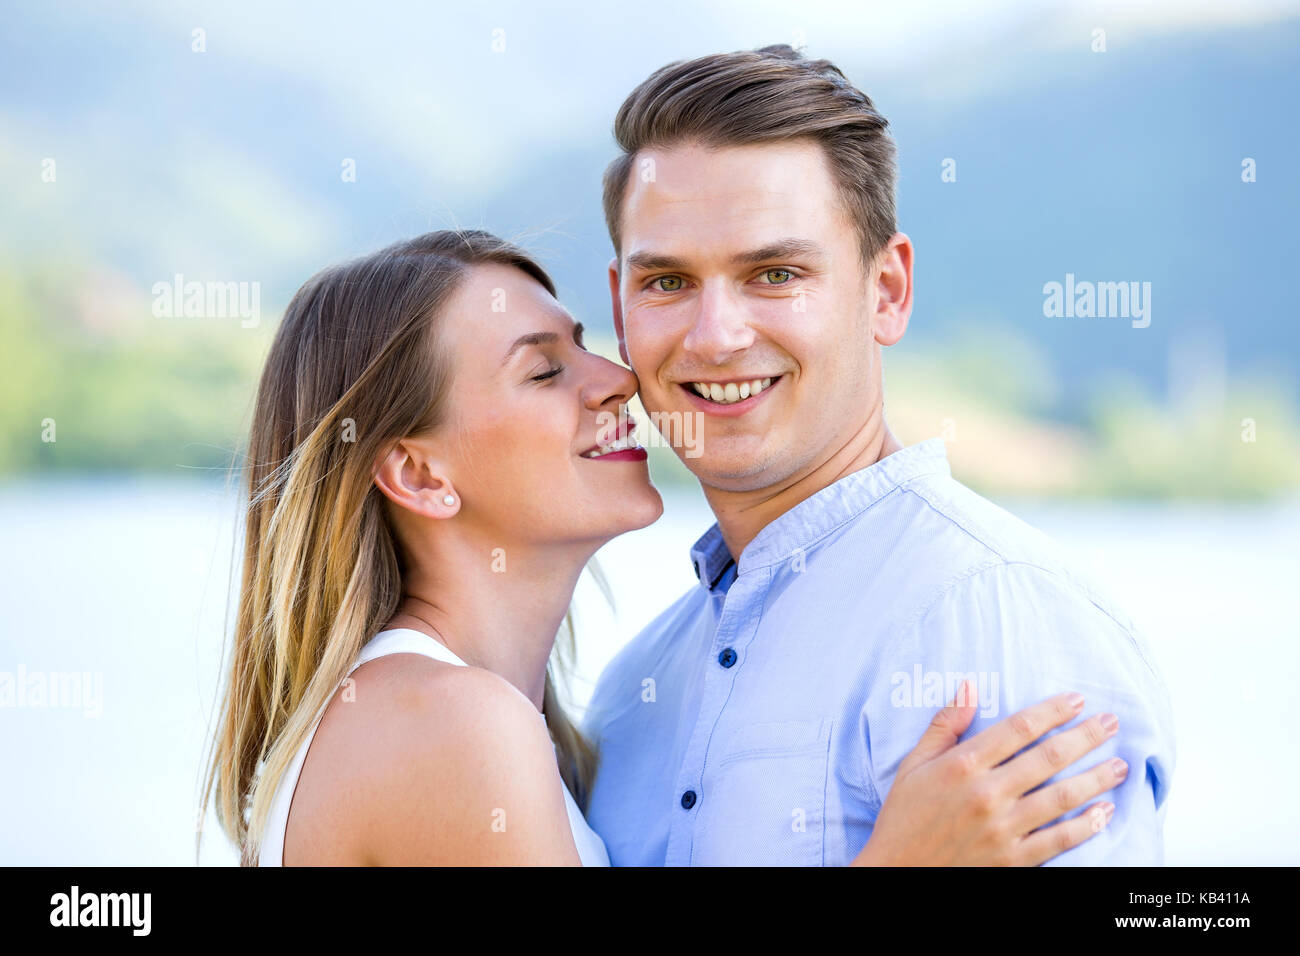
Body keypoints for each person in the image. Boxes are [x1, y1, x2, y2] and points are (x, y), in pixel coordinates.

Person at [203, 230, 1124, 866]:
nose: (617, 380)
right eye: (544, 370)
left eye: (585, 345)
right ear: (418, 474)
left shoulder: (493, 718)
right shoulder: (451, 728)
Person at [582, 44, 1175, 865]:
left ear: (886, 291)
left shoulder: (989, 623)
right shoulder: (626, 698)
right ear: (620, 305)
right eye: (668, 283)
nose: (714, 337)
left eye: (776, 273)